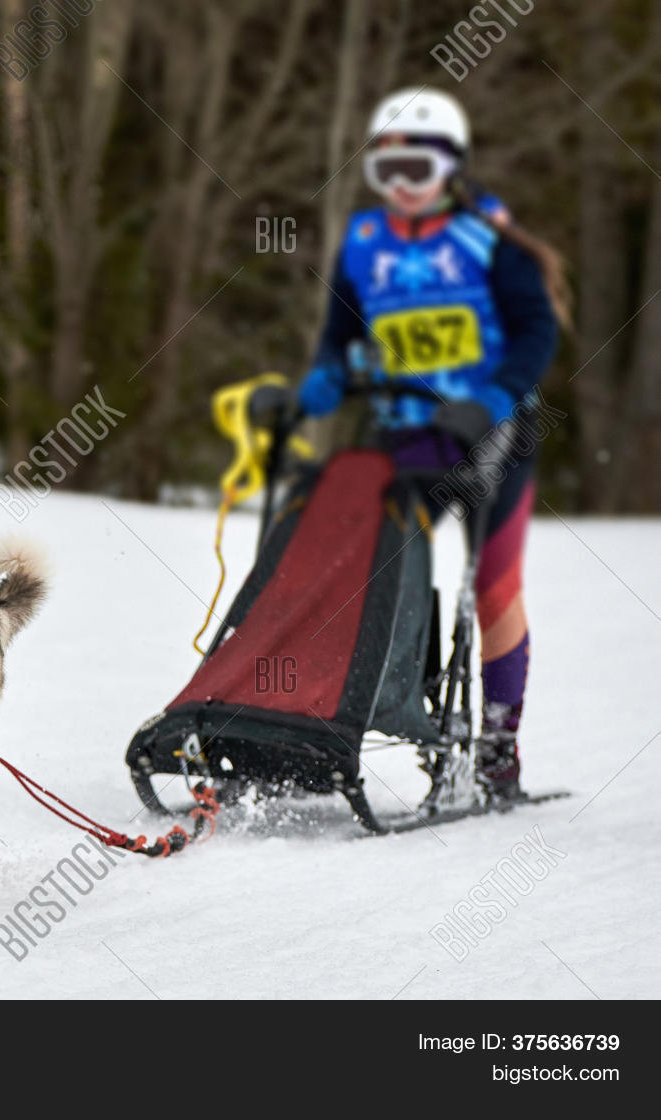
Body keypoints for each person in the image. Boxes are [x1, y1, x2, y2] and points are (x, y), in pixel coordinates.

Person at [297, 87, 569, 801]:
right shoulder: (362, 242)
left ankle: (497, 748)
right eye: (386, 173)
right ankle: (384, 714)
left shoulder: (489, 240)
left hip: (494, 433)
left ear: (450, 168)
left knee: (495, 582)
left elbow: (538, 334)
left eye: (416, 170)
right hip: (405, 433)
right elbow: (341, 333)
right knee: (372, 566)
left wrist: (488, 400)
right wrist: (326, 379)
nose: (402, 189)